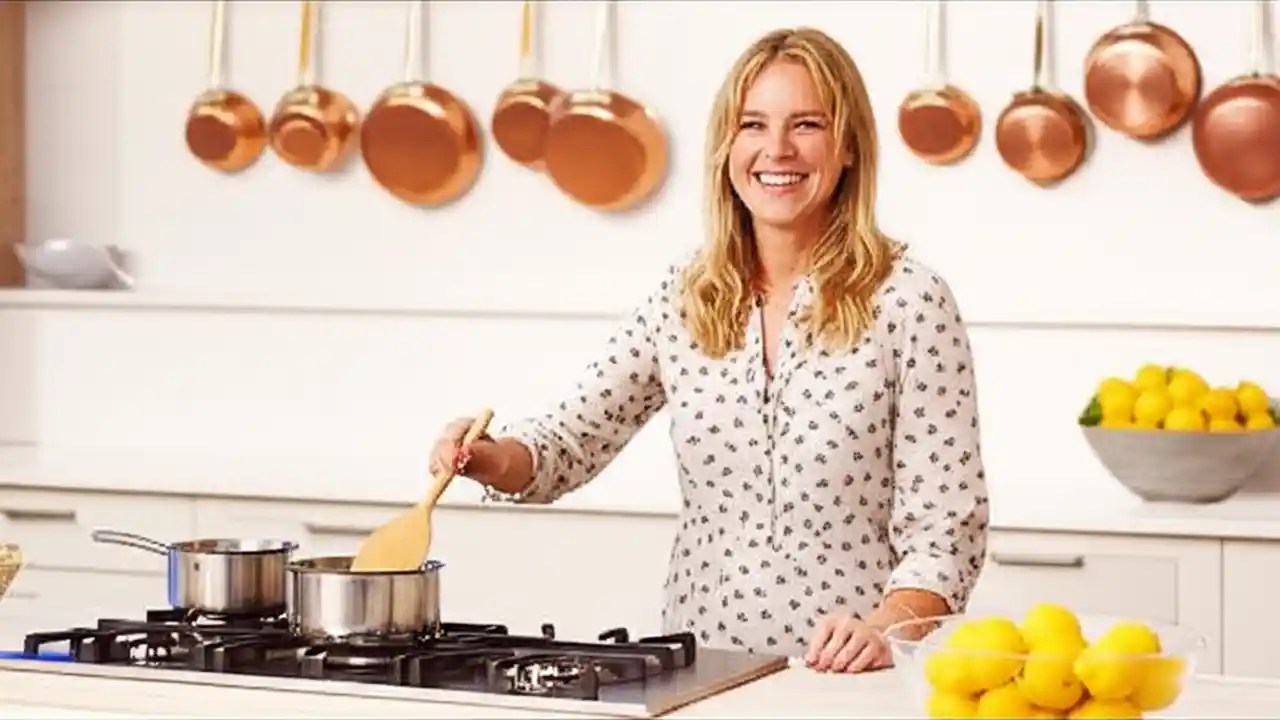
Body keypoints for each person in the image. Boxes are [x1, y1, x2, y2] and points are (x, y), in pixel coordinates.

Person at [428, 26, 989, 674]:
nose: (776, 149)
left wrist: (886, 628)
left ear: (849, 148)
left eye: (806, 124)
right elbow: (570, 441)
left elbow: (945, 529)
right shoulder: (687, 295)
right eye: (753, 124)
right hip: (702, 678)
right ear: (727, 146)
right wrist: (487, 457)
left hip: (852, 684)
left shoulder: (910, 302)